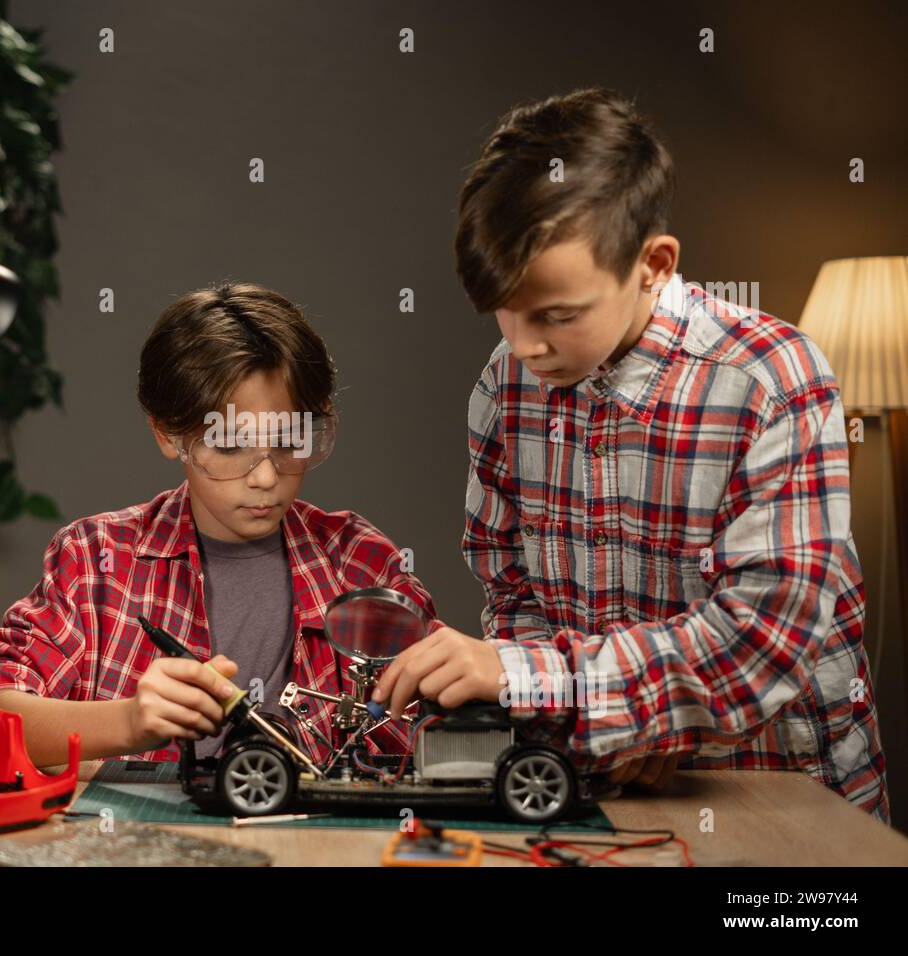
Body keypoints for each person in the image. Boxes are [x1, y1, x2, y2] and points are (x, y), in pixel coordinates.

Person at [373, 87, 889, 821]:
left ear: (653, 263)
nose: (523, 345)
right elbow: (510, 586)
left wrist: (533, 677)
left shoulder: (772, 381)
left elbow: (761, 643)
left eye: (557, 315)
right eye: (506, 311)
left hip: (783, 801)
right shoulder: (505, 385)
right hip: (601, 794)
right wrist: (597, 715)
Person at [0, 282, 442, 768]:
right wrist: (126, 723)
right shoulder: (96, 560)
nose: (267, 477)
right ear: (169, 434)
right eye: (231, 446)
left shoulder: (357, 560)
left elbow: (438, 734)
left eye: (289, 442)